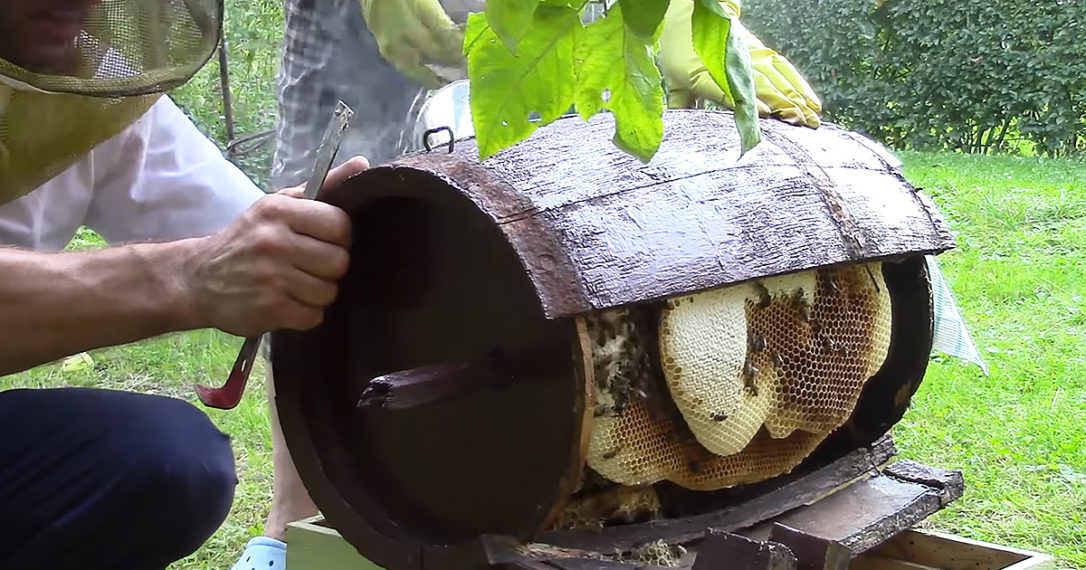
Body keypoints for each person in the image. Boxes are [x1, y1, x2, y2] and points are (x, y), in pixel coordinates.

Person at [231, 1, 823, 568]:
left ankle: (550, 480)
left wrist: (685, 10)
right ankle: (291, 524)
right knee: (322, 216)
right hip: (351, 21)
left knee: (564, 197)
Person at [0, 0, 368, 568]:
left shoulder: (94, 84)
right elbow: (206, 263)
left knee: (164, 460)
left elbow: (245, 237)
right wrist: (185, 275)